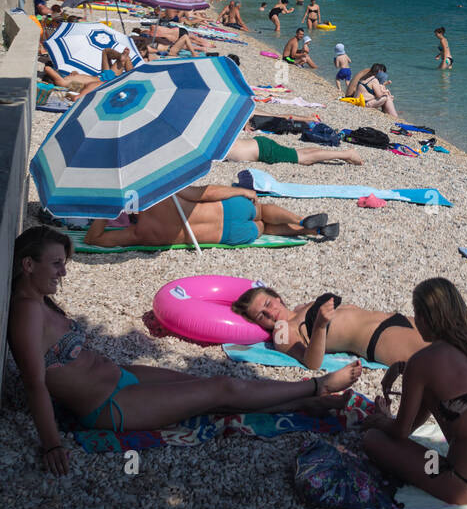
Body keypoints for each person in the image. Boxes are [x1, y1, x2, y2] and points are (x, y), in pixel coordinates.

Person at [8, 227, 359, 473]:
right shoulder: (25, 312)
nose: (64, 272)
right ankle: (317, 386)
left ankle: (304, 403)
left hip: (121, 377)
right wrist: (52, 444)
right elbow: (34, 384)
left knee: (211, 393)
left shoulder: (40, 301)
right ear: (28, 265)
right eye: (56, 264)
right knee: (222, 388)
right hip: (109, 406)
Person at [233, 283, 467, 405]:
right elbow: (311, 365)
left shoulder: (300, 308)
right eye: (259, 315)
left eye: (267, 302)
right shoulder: (284, 333)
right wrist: (323, 328)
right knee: (464, 358)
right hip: (378, 341)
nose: (268, 313)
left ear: (275, 294)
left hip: (394, 321)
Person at [361, 278, 467, 505]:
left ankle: (432, 473)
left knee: (374, 440)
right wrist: (402, 368)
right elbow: (446, 382)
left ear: (423, 318)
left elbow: (400, 432)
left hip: (465, 485)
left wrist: (380, 420)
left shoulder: (422, 363)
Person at [82, 183, 336, 248]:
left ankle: (311, 231)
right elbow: (207, 192)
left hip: (226, 234)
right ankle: (302, 221)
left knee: (263, 228)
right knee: (260, 211)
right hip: (227, 209)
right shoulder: (162, 194)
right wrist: (241, 190)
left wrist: (105, 209)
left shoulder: (139, 234)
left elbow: (94, 239)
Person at [226, 131, 363, 167]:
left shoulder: (210, 150)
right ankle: (343, 154)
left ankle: (346, 154)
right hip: (258, 144)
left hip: (263, 151)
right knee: (298, 153)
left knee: (303, 159)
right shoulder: (214, 141)